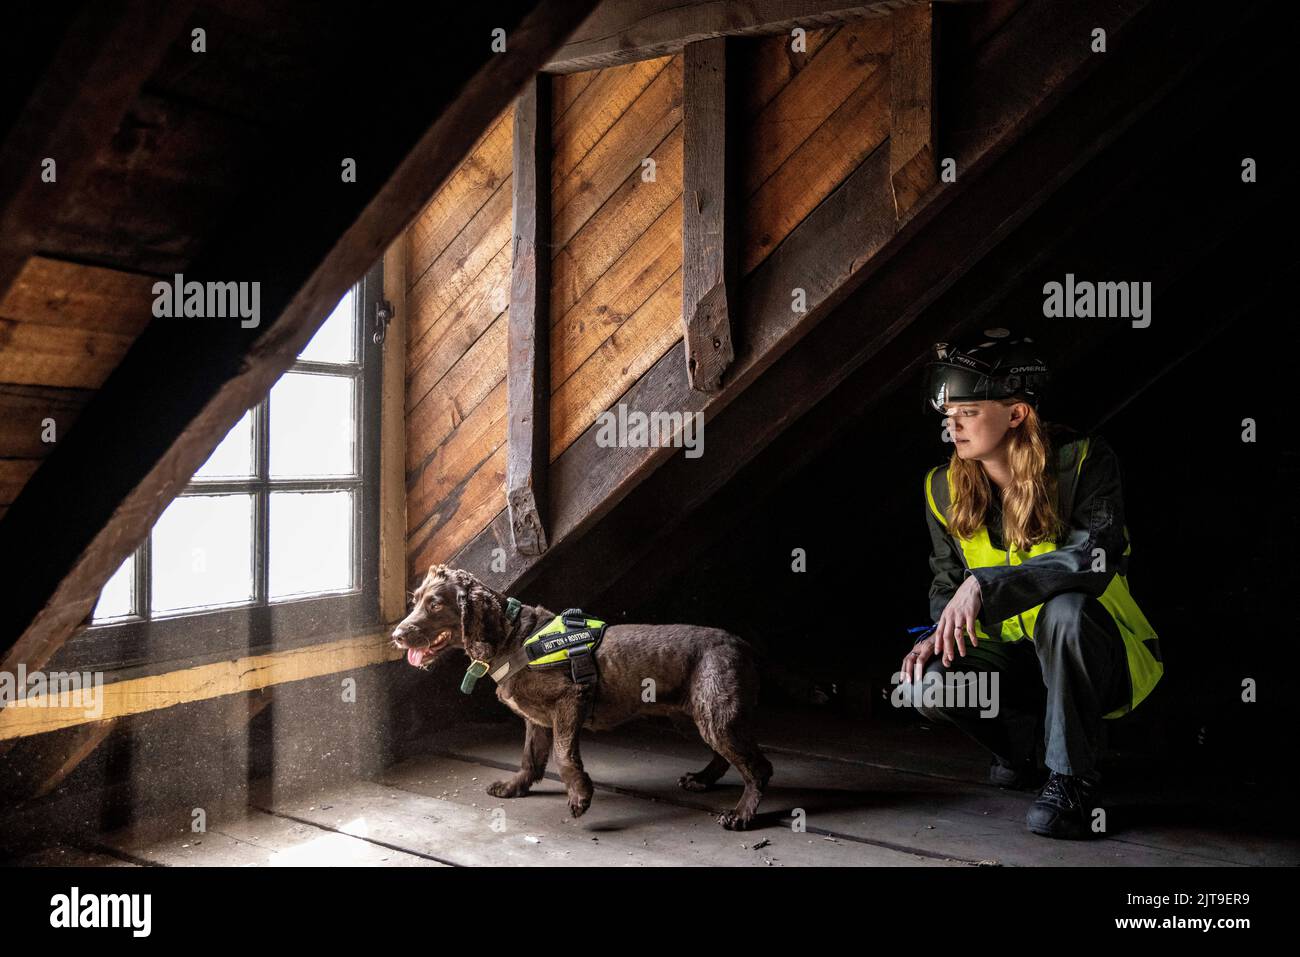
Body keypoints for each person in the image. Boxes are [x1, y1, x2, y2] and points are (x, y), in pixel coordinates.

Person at [901, 329, 1163, 839]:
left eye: (968, 411)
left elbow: (1095, 557)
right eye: (945, 415)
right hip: (1015, 660)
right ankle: (1021, 753)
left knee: (1066, 610)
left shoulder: (1086, 461)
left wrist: (987, 586)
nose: (951, 426)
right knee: (926, 680)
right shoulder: (942, 487)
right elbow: (946, 580)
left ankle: (1073, 781)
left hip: (1097, 655)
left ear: (1016, 412)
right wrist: (936, 632)